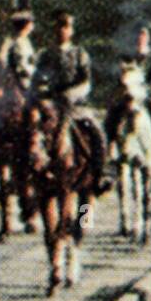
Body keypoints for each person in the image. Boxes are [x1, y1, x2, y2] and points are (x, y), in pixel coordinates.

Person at [32, 10, 108, 191]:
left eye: (66, 27)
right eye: (58, 26)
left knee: (97, 133)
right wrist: (43, 91)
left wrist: (72, 93)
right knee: (31, 130)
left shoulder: (79, 54)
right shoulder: (45, 55)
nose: (62, 30)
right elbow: (39, 78)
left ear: (71, 30)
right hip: (52, 104)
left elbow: (86, 81)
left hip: (75, 104)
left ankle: (100, 174)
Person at [0, 9, 39, 234]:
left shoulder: (16, 42)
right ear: (27, 25)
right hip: (21, 84)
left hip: (14, 83)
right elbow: (16, 66)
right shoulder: (18, 43)